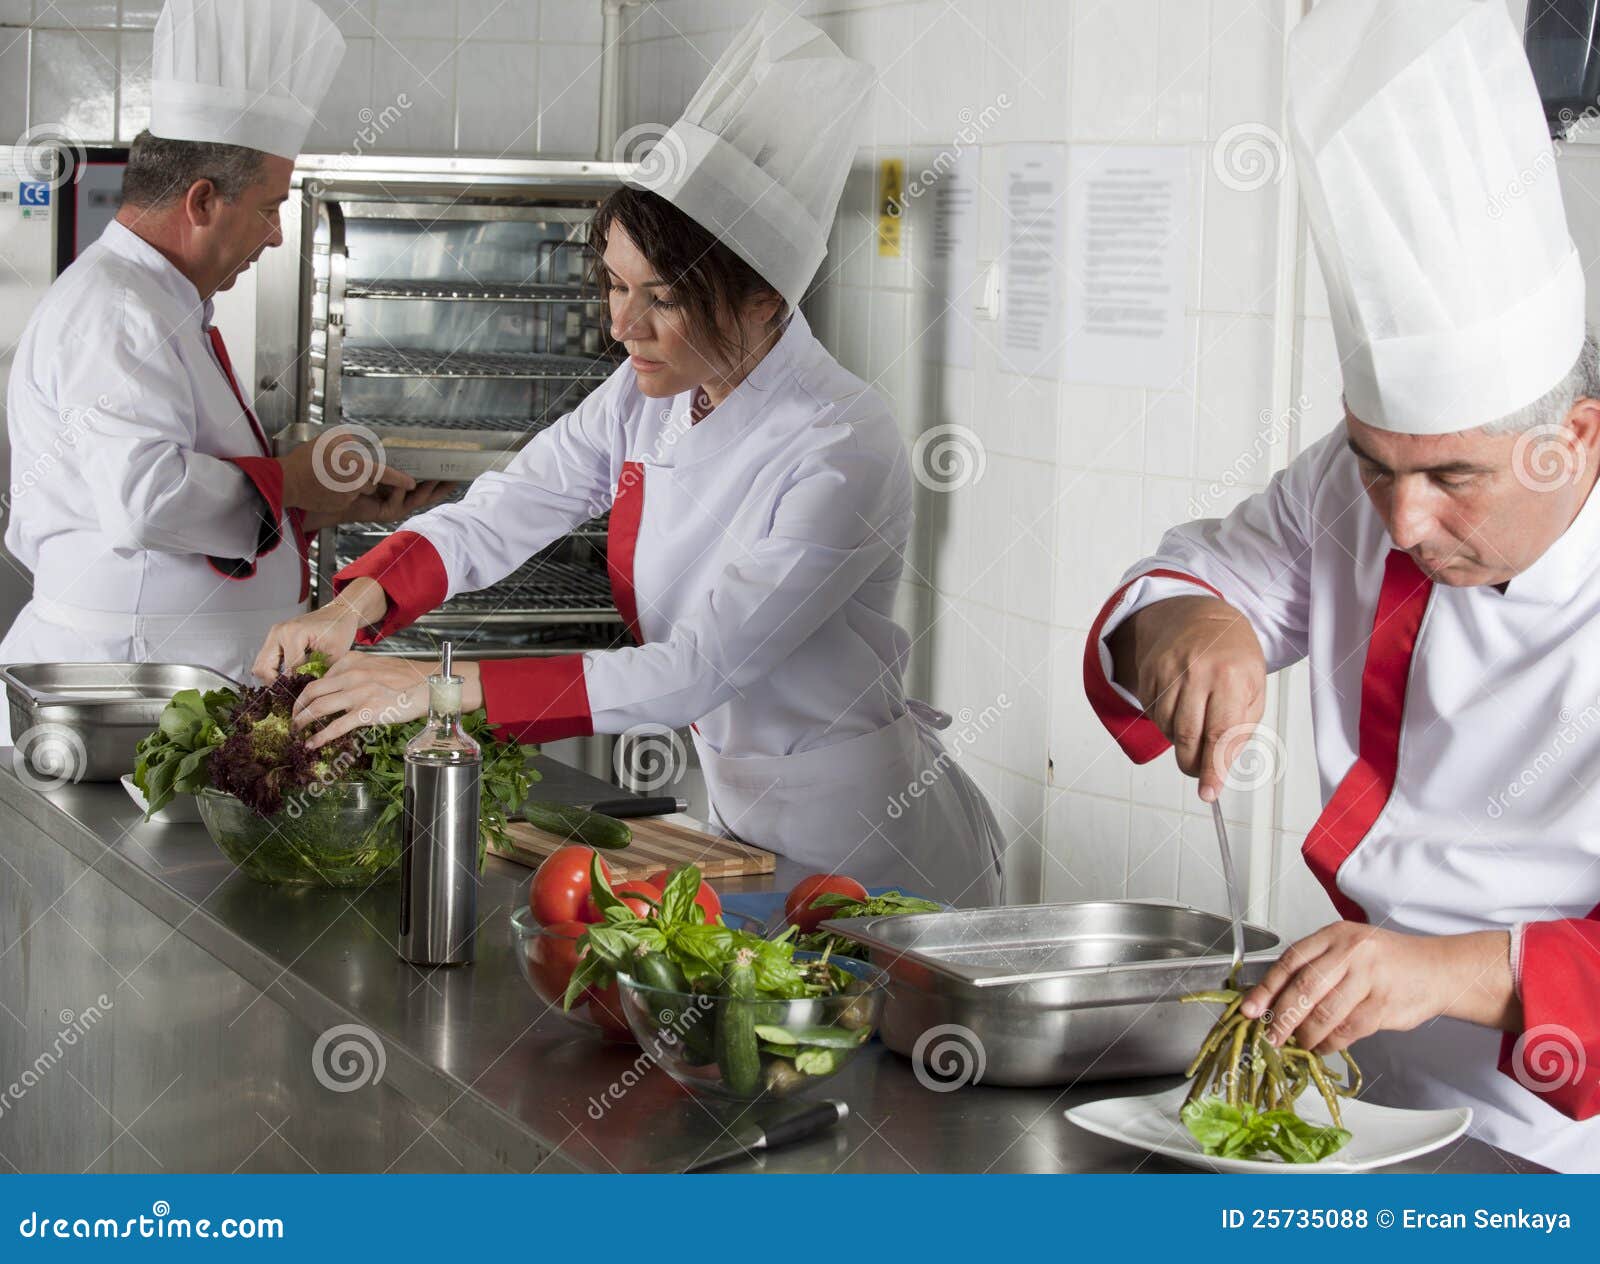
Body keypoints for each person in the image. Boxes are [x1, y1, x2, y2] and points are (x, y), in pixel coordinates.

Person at [253, 6, 1005, 906]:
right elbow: (510, 506)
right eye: (613, 285)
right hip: (742, 817)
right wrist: (356, 604)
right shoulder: (654, 392)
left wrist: (436, 689)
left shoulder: (841, 446)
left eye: (662, 299)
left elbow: (698, 667)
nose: (621, 326)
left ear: (765, 300)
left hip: (871, 852)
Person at [1084, 0, 1600, 1170]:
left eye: (1453, 478)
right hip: (1370, 1103)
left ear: (1573, 438)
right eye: (1376, 466)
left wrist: (1446, 970)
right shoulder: (1355, 480)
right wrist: (1188, 622)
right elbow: (1191, 578)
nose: (1401, 522)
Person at [0, 0, 440, 738]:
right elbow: (145, 499)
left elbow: (182, 494)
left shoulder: (159, 302)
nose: (275, 236)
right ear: (202, 200)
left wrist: (319, 504)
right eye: (269, 208)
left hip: (168, 686)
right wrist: (290, 481)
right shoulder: (117, 309)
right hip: (123, 695)